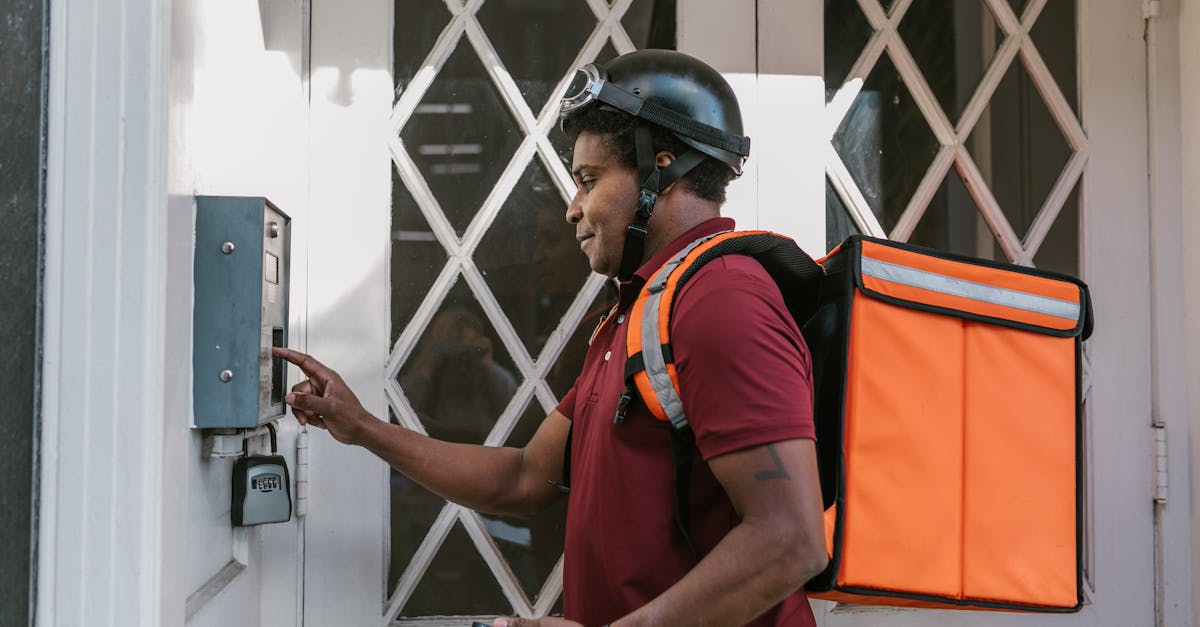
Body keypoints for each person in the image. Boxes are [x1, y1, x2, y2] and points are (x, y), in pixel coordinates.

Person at [274, 49, 829, 626]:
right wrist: (362, 427)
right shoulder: (639, 311)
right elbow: (523, 477)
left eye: (589, 180)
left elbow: (789, 541)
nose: (573, 209)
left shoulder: (722, 300)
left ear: (662, 169)